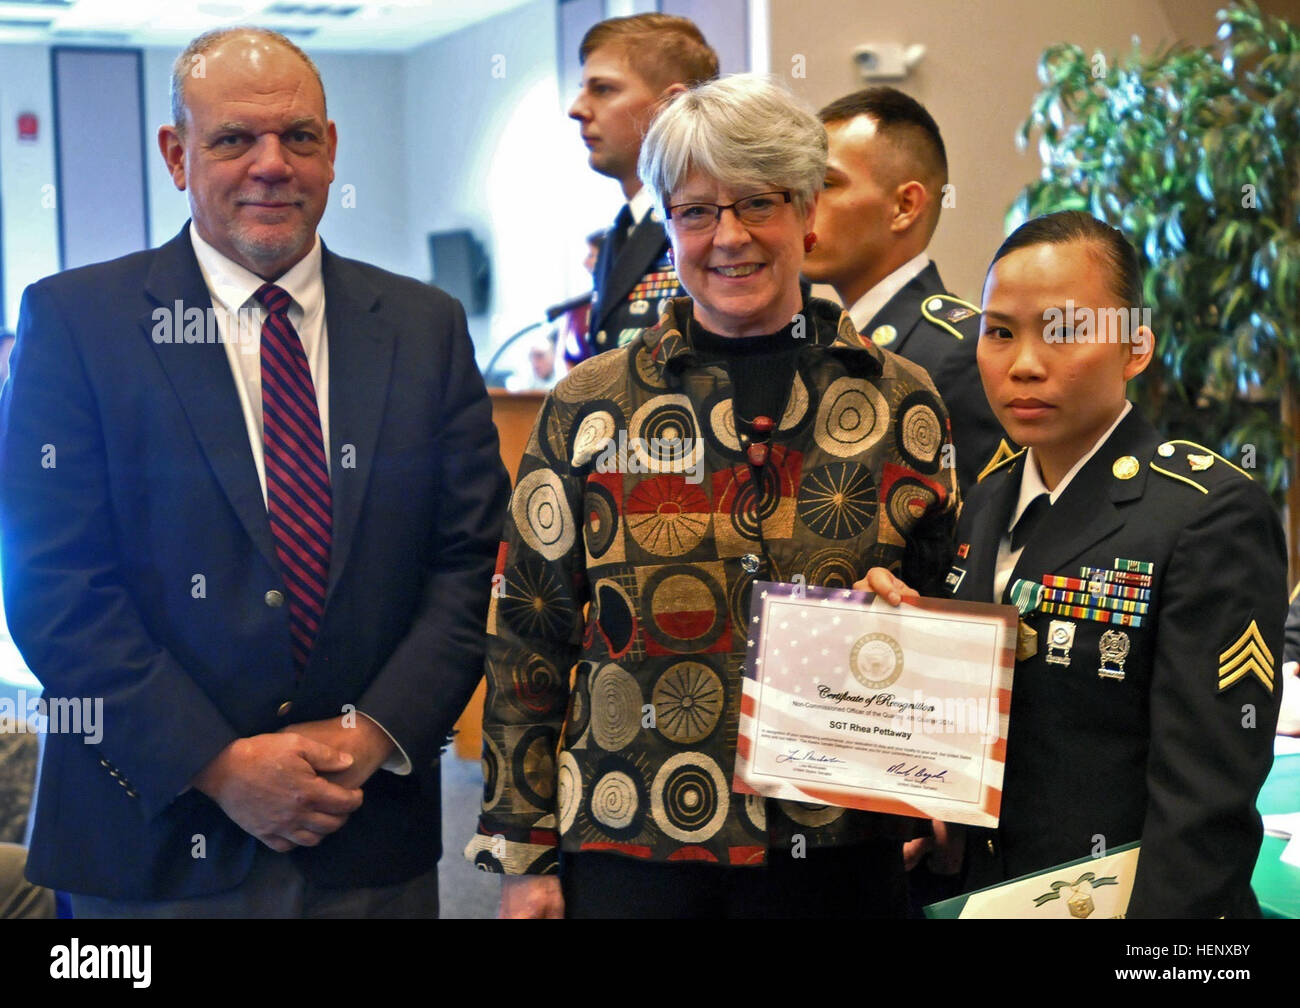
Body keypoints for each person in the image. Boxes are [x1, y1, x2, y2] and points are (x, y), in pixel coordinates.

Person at [0, 27, 509, 917]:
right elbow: (53, 584)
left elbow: (467, 564)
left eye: (299, 137)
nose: (272, 164)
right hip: (149, 842)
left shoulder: (425, 328)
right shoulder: (78, 322)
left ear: (331, 149)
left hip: (367, 835)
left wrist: (369, 735)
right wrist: (219, 764)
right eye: (234, 139)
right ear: (176, 154)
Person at [468, 74, 958, 918]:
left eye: (756, 204)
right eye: (695, 211)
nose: (727, 237)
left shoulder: (899, 400)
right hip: (632, 842)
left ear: (807, 211)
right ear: (667, 227)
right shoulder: (591, 405)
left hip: (839, 844)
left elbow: (951, 602)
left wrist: (931, 773)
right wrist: (524, 855)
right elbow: (529, 637)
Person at [867, 210, 1285, 917]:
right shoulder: (986, 496)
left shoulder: (1206, 513)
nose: (1024, 363)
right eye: (999, 332)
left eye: (1063, 331)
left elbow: (1204, 809)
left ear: (1137, 347)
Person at [802, 87, 1009, 492]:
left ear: (904, 206)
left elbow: (976, 531)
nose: (803, 205)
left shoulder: (959, 352)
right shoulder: (827, 341)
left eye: (826, 183)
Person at [568, 13, 718, 358]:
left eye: (603, 89)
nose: (576, 109)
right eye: (582, 90)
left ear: (673, 106)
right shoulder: (623, 228)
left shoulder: (712, 222)